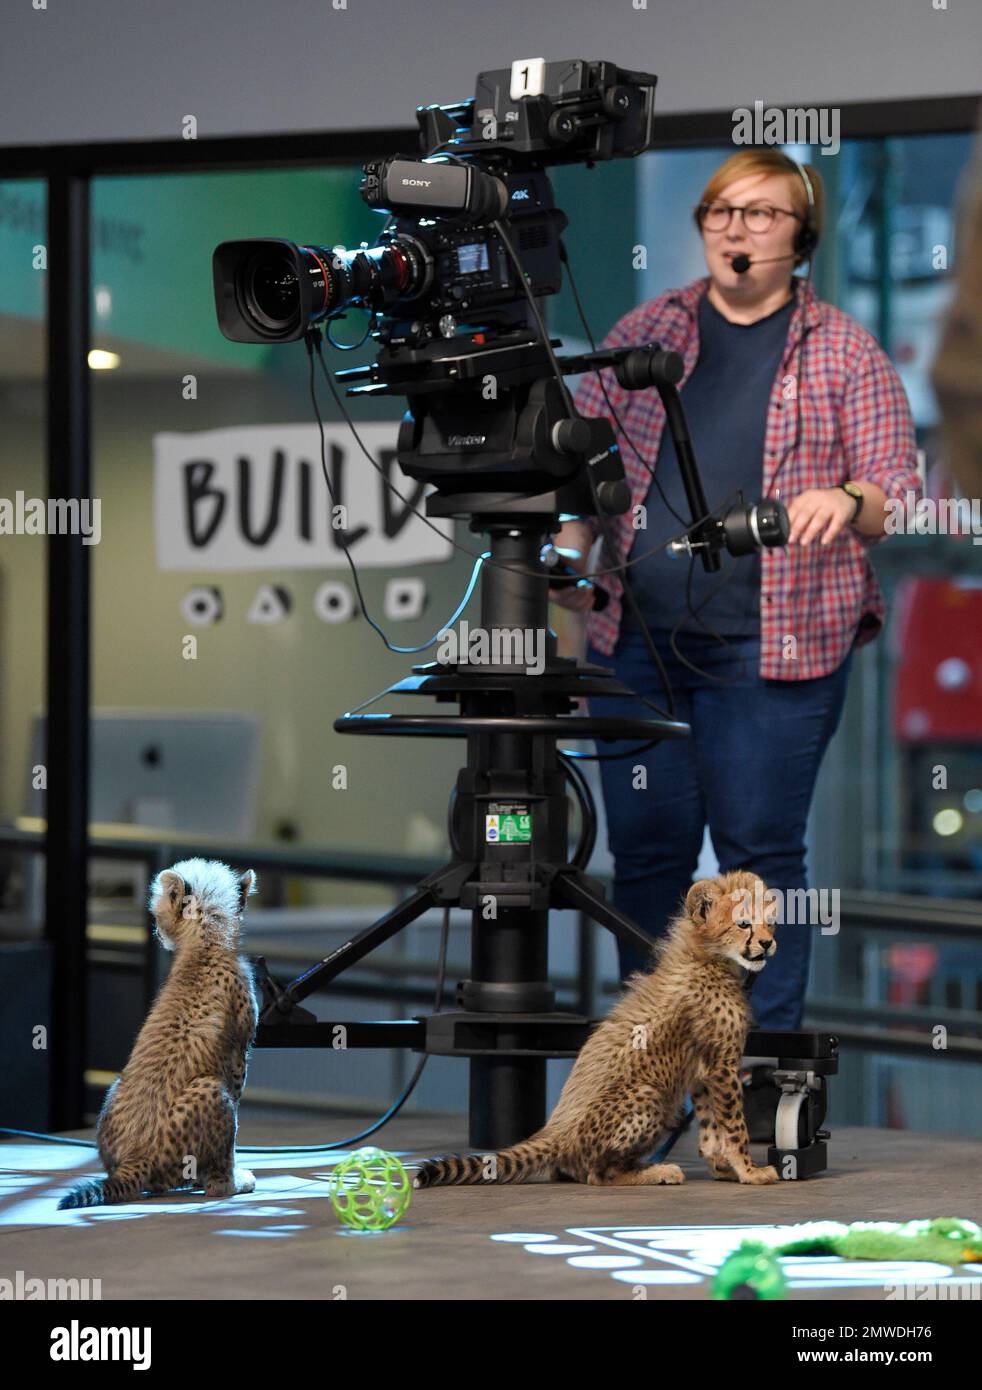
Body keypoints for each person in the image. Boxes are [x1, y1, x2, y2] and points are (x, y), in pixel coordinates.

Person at [552, 148, 921, 1041]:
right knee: (645, 859)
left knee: (759, 863)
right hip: (637, 643)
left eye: (761, 214)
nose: (735, 229)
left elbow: (897, 492)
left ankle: (766, 1072)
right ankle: (653, 1064)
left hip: (777, 652)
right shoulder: (652, 332)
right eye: (721, 212)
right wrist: (567, 552)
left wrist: (844, 499)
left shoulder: (842, 348)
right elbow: (584, 473)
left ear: (802, 240)